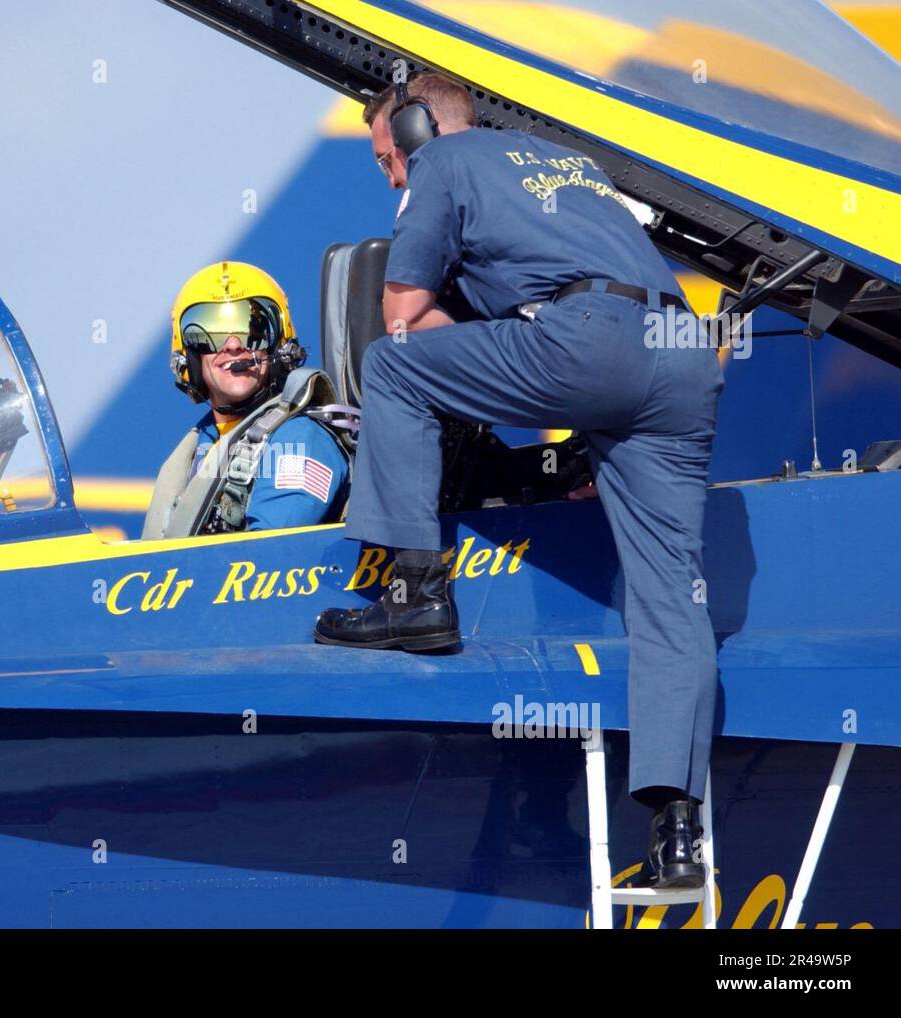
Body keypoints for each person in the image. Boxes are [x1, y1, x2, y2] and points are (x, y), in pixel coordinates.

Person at [312, 73, 725, 890]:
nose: (393, 176)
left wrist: (485, 356)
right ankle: (679, 831)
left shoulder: (445, 163)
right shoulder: (565, 163)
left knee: (394, 369)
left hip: (587, 343)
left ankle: (417, 596)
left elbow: (403, 312)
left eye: (388, 158)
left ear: (425, 130)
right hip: (685, 355)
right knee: (673, 602)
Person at [142, 261, 351, 539]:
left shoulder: (299, 441)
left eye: (251, 331)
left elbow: (272, 560)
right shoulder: (204, 441)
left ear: (281, 347)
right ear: (189, 358)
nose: (233, 345)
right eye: (210, 333)